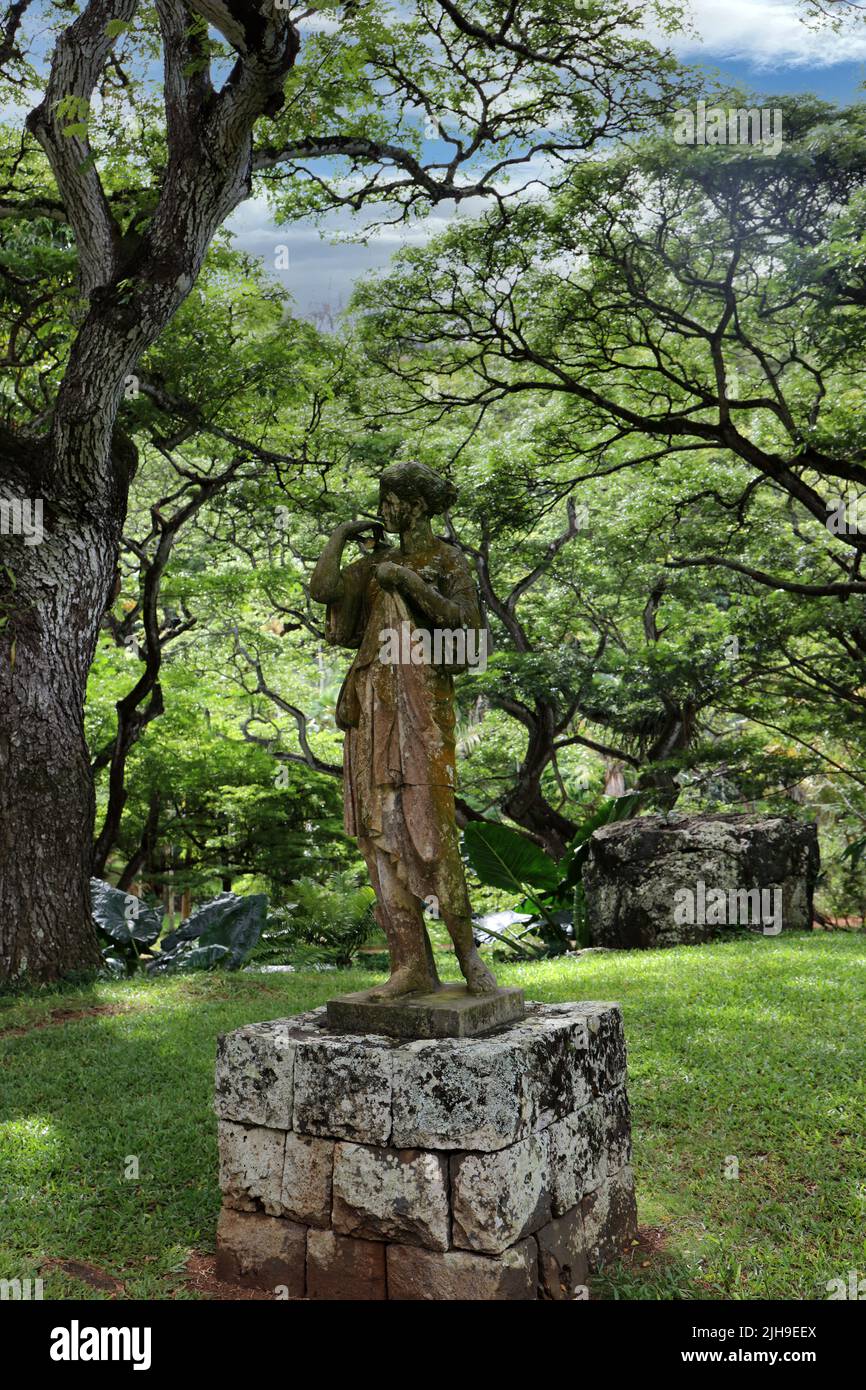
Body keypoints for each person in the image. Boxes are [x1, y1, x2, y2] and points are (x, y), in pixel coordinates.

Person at [310, 460, 498, 998]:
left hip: (422, 713)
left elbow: (471, 638)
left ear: (412, 504)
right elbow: (323, 591)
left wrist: (412, 584)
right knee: (379, 837)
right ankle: (411, 964)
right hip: (371, 710)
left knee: (432, 837)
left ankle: (470, 962)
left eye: (388, 500)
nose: (382, 509)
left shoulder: (444, 560)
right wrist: (341, 537)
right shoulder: (374, 564)